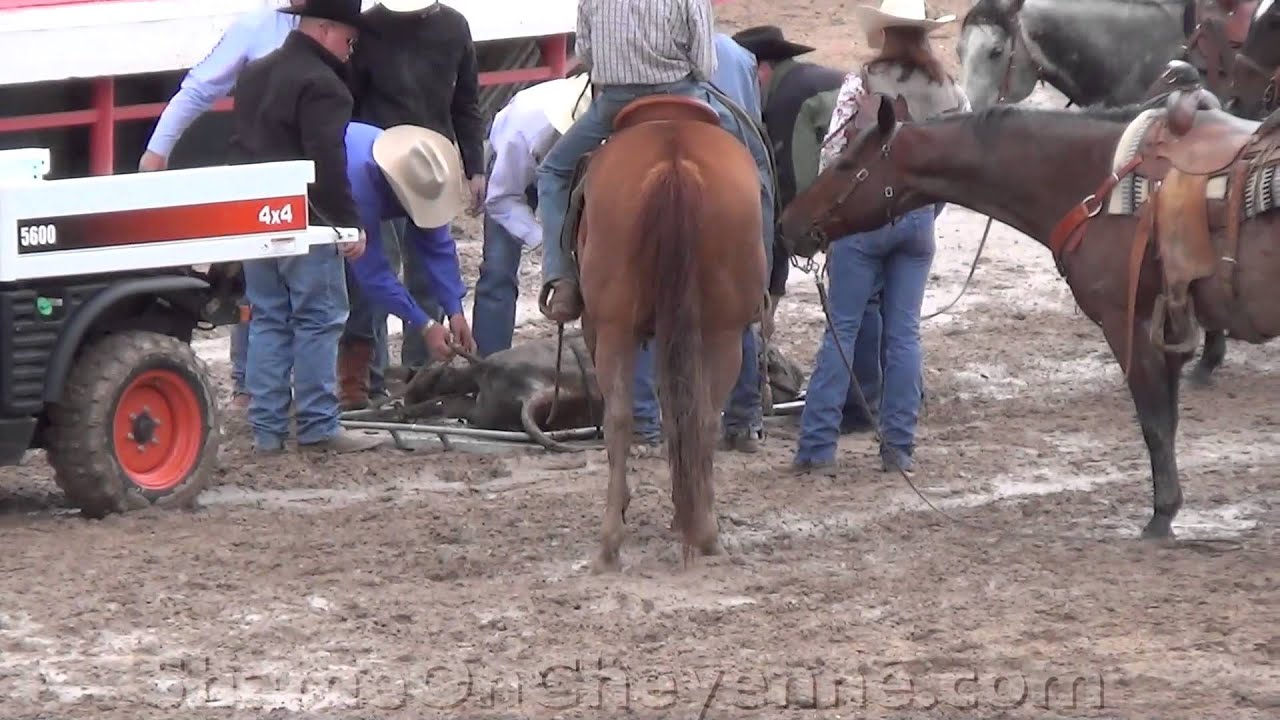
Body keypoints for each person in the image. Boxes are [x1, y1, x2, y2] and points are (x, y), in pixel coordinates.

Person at [791, 0, 967, 475]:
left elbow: (832, 156)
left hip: (862, 220)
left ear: (885, 33)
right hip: (917, 221)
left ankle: (818, 449)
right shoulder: (950, 90)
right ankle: (898, 449)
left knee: (843, 328)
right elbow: (959, 167)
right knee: (904, 332)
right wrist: (928, 212)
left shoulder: (861, 82)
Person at [138, 0, 307, 412]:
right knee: (259, 281)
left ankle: (323, 384)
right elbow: (200, 88)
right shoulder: (257, 26)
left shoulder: (345, 22)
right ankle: (249, 386)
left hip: (317, 163)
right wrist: (157, 150)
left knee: (309, 284)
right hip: (264, 167)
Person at [227, 0, 380, 455]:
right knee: (319, 318)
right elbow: (327, 162)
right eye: (349, 40)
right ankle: (317, 424)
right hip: (308, 220)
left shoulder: (256, 73)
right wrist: (346, 224)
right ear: (326, 29)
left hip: (258, 214)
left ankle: (267, 430)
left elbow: (240, 145)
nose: (350, 50)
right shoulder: (325, 86)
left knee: (269, 318)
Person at [733, 24, 886, 434]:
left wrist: (795, 245)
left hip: (856, 202)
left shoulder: (785, 100)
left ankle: (850, 404)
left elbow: (794, 183)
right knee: (884, 300)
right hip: (889, 191)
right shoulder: (807, 79)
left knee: (852, 306)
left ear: (760, 69)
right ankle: (891, 392)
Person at [537, 0, 718, 323]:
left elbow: (588, 53)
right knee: (754, 158)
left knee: (553, 171)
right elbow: (704, 64)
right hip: (682, 95)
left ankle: (562, 277)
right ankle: (757, 275)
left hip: (616, 103)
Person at [345, 0, 487, 400]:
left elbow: (466, 102)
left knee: (423, 272)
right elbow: (371, 272)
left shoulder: (453, 28)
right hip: (375, 165)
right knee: (372, 271)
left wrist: (455, 309)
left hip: (427, 165)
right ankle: (364, 377)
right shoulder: (367, 28)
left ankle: (418, 373)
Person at [340, 121, 476, 411]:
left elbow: (438, 246)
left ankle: (362, 384)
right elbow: (371, 271)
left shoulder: (419, 174)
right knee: (329, 298)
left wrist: (455, 310)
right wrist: (426, 324)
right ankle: (344, 389)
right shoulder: (360, 177)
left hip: (352, 182)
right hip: (316, 195)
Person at [473, 72, 590, 357]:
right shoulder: (521, 132)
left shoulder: (600, 124)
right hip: (518, 176)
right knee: (498, 271)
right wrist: (549, 242)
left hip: (579, 178)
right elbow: (501, 199)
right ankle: (492, 364)